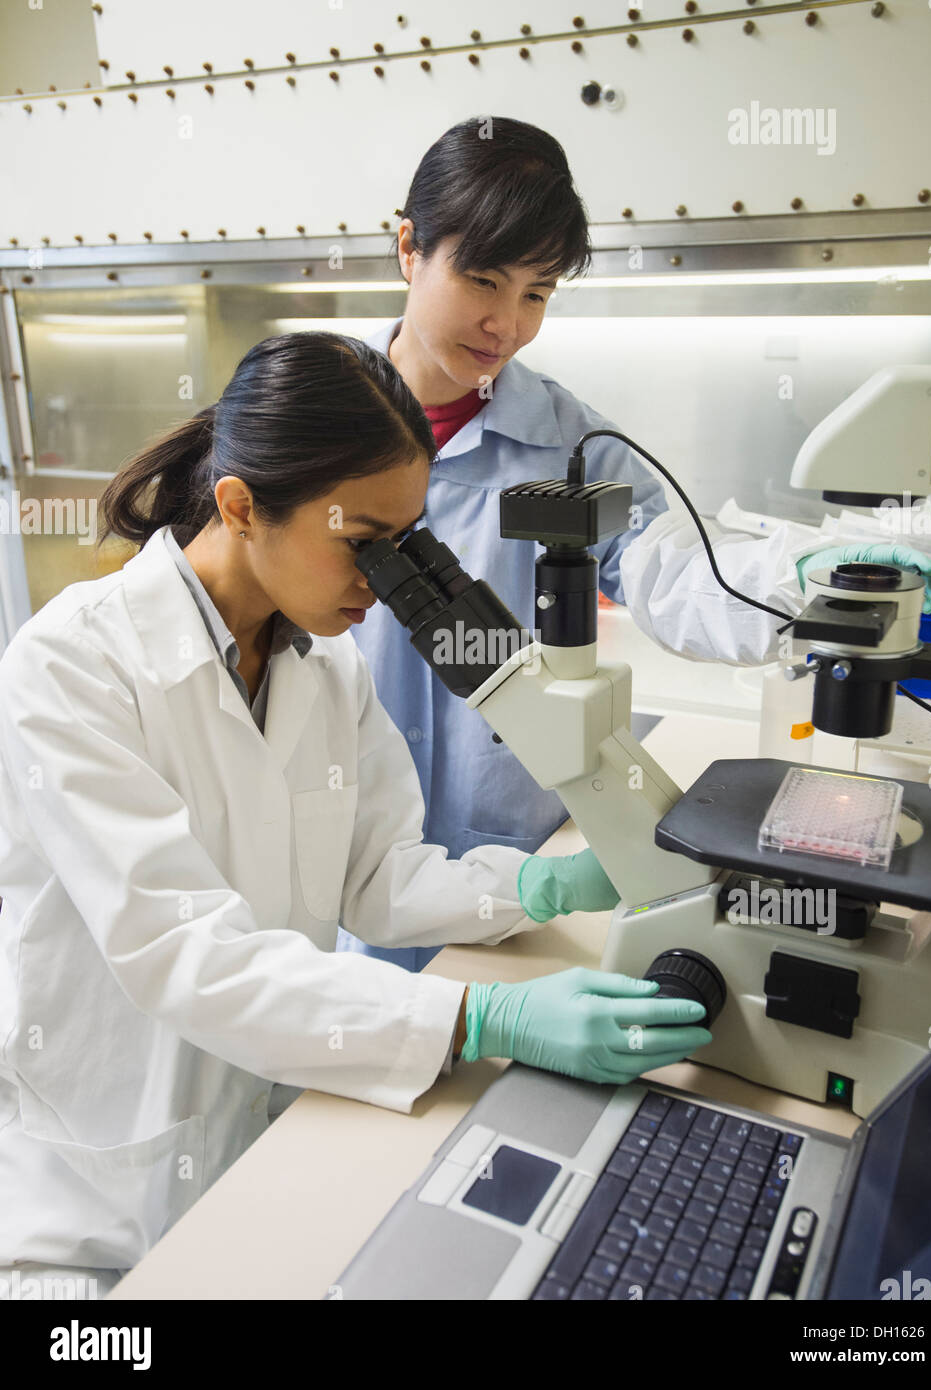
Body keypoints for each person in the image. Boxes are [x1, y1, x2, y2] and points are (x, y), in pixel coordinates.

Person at [0, 332, 713, 1298]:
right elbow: (189, 958)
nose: (389, 581)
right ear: (241, 506)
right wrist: (482, 1015)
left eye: (409, 541)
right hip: (95, 1208)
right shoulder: (69, 670)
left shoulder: (324, 661)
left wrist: (542, 885)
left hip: (264, 1139)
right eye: (365, 544)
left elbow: (374, 877)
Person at [337, 115, 931, 974]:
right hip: (326, 841)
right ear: (408, 248)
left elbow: (671, 565)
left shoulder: (569, 444)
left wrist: (803, 576)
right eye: (482, 279)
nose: (505, 324)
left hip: (509, 863)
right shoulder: (307, 419)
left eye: (537, 293)